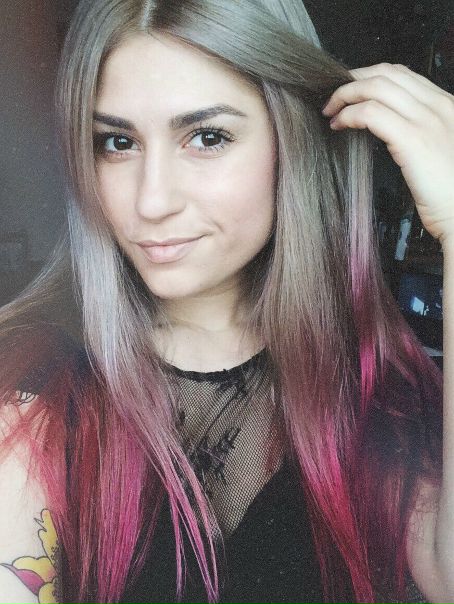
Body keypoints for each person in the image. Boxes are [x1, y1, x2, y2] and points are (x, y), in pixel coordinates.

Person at [0, 0, 453, 602]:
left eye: (207, 137)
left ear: (292, 140)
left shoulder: (372, 377)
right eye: (117, 142)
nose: (152, 201)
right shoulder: (32, 384)